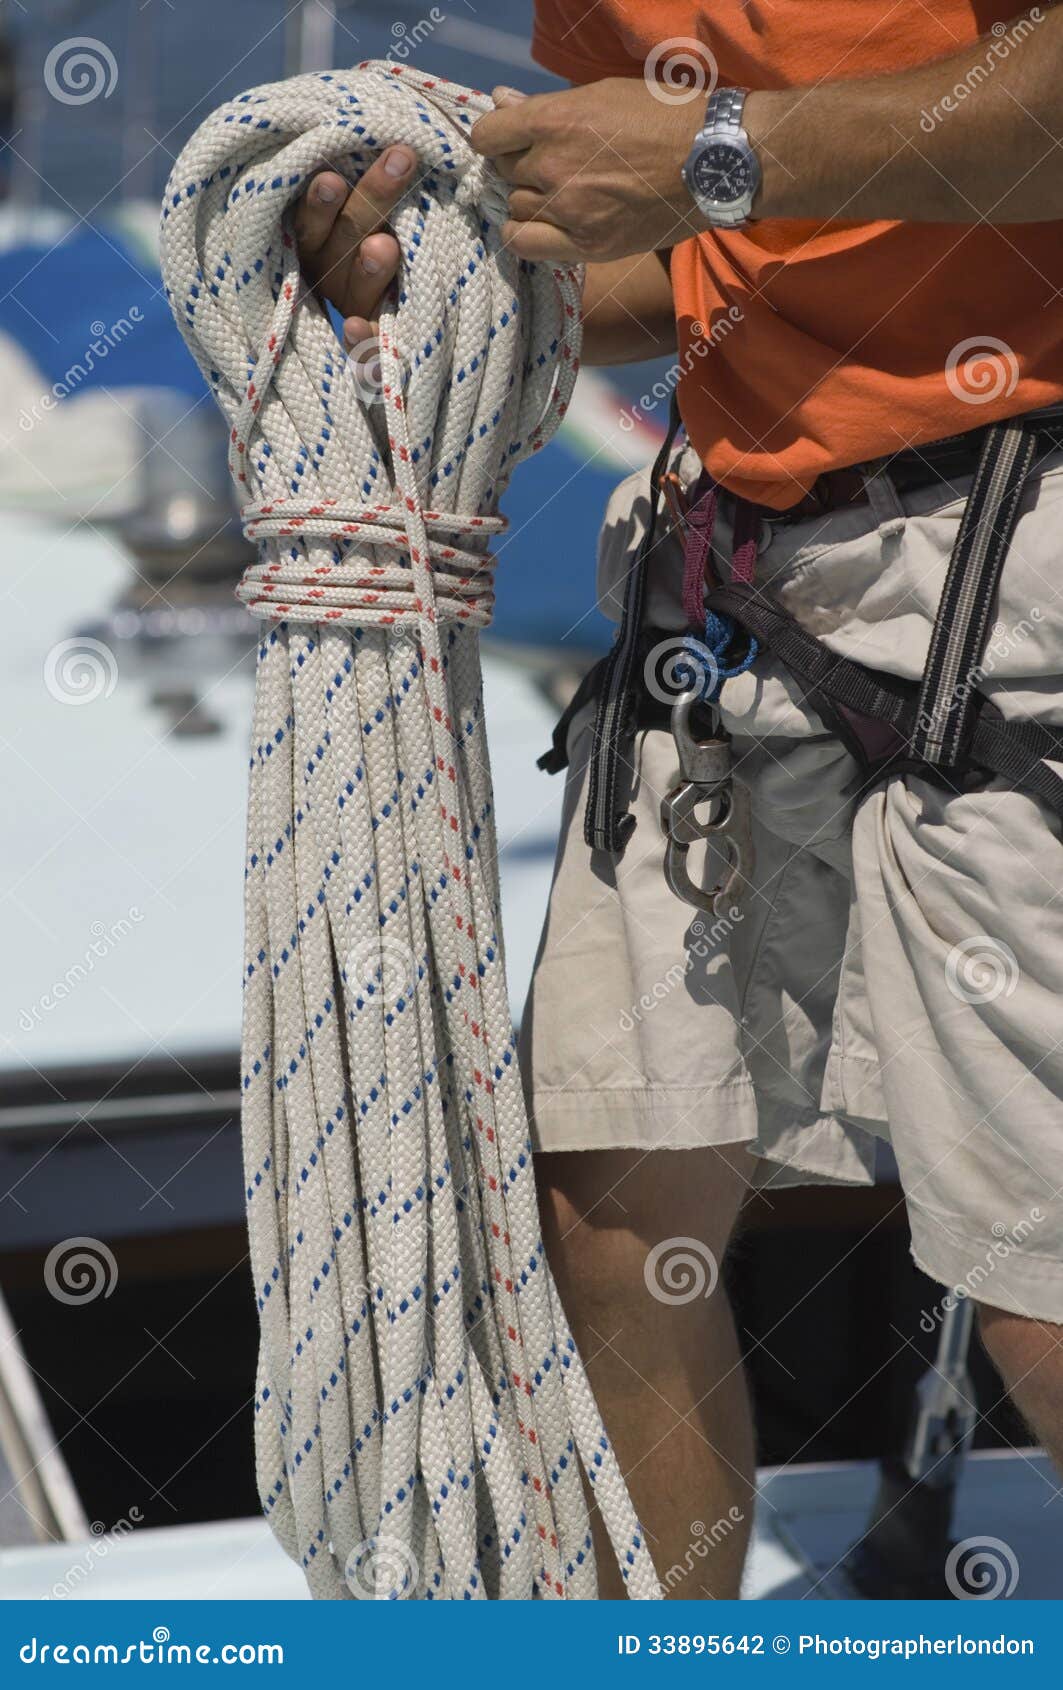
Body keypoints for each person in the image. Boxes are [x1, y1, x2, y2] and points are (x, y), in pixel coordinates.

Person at [295, 4, 1063, 1599]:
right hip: (734, 564)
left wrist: (717, 153)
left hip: (1019, 532)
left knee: (1042, 1281)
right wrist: (467, 279)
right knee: (619, 1188)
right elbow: (707, 255)